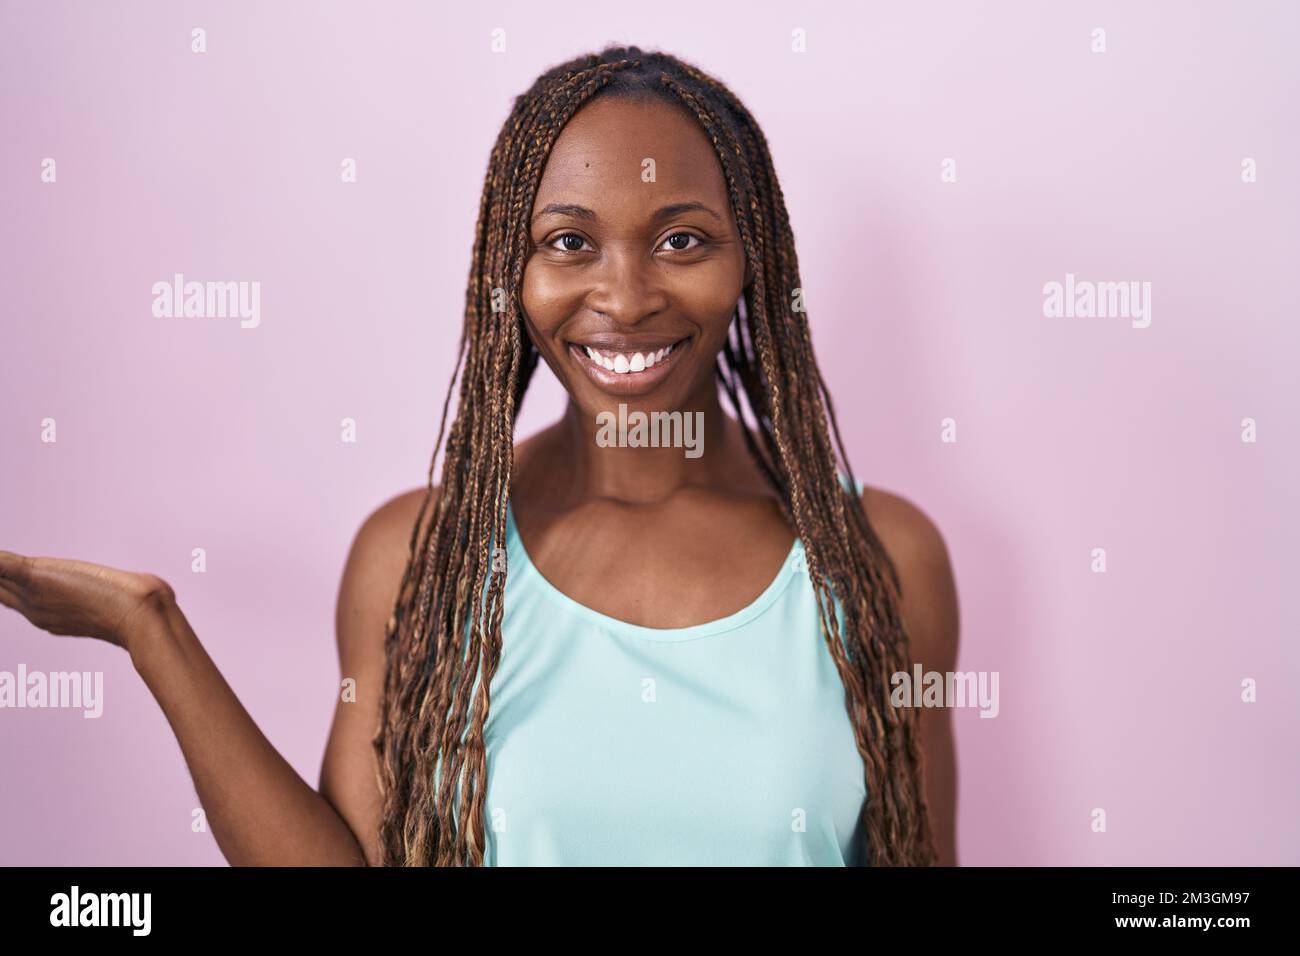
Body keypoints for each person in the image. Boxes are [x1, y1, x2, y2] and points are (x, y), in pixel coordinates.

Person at [0, 45, 959, 867]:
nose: (624, 298)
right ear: (514, 270)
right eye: (570, 241)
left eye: (682, 239)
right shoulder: (417, 554)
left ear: (753, 258)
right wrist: (150, 629)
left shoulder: (883, 559)